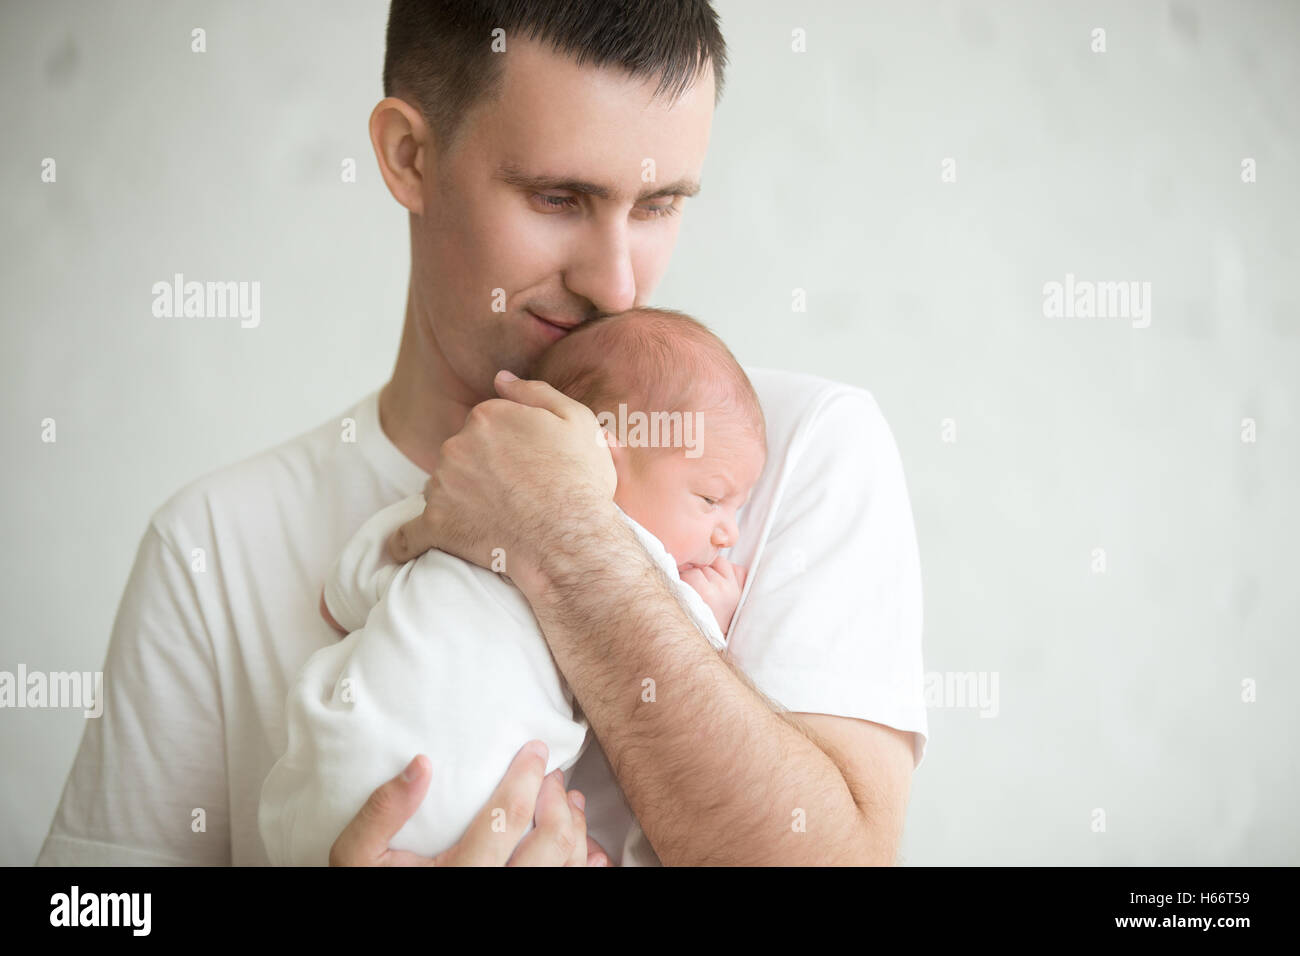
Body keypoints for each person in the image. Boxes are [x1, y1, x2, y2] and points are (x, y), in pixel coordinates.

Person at [37, 0, 927, 867]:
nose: (616, 286)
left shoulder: (791, 454)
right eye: (558, 197)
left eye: (657, 205)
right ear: (408, 155)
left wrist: (565, 537)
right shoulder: (211, 547)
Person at [259, 308, 765, 866]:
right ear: (605, 456)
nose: (730, 532)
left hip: (312, 787)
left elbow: (346, 592)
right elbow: (673, 675)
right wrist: (711, 619)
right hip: (461, 810)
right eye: (711, 498)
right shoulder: (643, 570)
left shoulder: (451, 504)